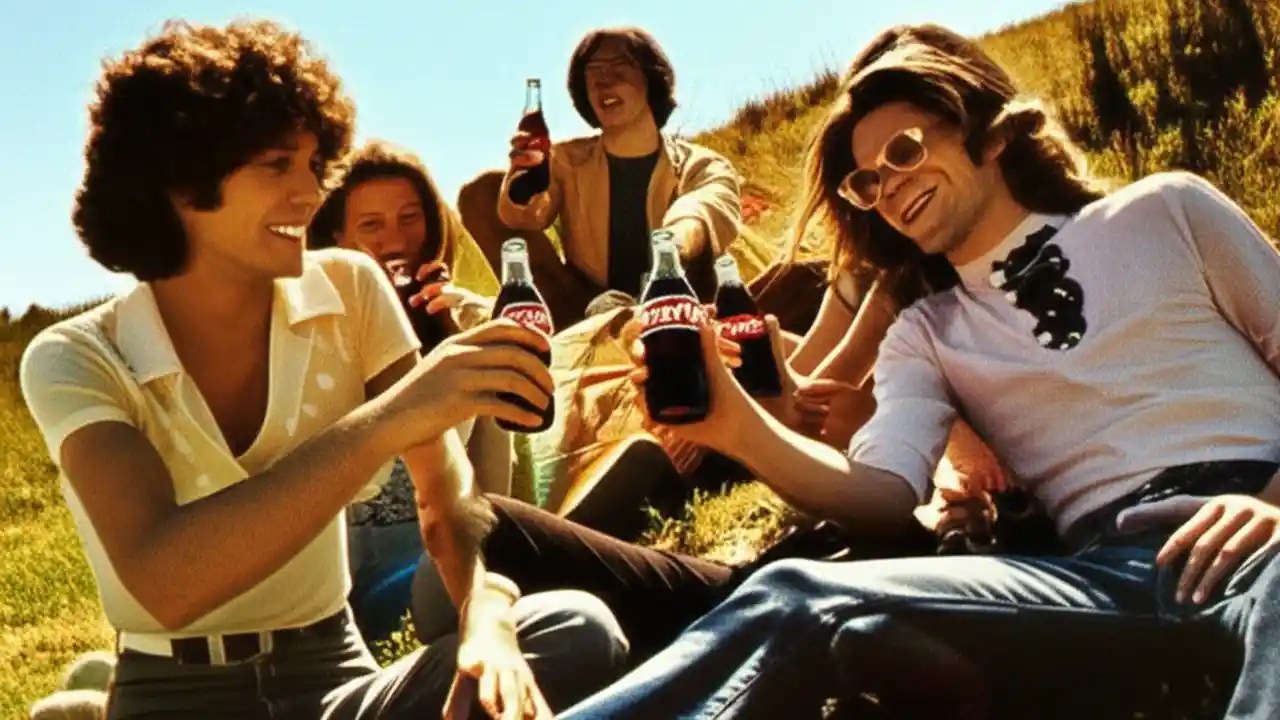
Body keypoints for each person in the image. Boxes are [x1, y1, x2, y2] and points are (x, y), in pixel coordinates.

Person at [557, 23, 1280, 719]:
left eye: (904, 151)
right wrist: (735, 426)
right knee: (797, 593)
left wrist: (1273, 501)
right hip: (1104, 572)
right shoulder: (928, 333)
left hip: (1263, 518)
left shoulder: (1166, 210)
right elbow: (880, 493)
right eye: (868, 183)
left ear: (988, 134)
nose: (890, 187)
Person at [19, 19, 626, 719]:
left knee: (576, 629)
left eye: (314, 164)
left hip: (333, 674)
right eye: (279, 166)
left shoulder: (350, 290)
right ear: (179, 183)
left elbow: (446, 491)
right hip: (173, 695)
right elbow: (164, 579)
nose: (311, 194)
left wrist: (483, 605)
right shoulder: (78, 356)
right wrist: (385, 421)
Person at [308, 139, 521, 641]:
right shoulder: (314, 336)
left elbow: (495, 492)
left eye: (409, 218)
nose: (395, 240)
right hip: (342, 579)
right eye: (371, 226)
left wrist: (461, 325)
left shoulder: (458, 333)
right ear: (337, 236)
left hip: (443, 564)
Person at [457, 26, 742, 328]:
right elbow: (530, 215)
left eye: (620, 67)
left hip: (682, 308)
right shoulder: (566, 160)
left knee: (794, 281)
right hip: (584, 311)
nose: (604, 81)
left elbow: (706, 207)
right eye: (592, 72)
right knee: (483, 193)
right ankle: (556, 331)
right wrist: (524, 185)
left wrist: (672, 247)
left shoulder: (702, 164)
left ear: (651, 77)